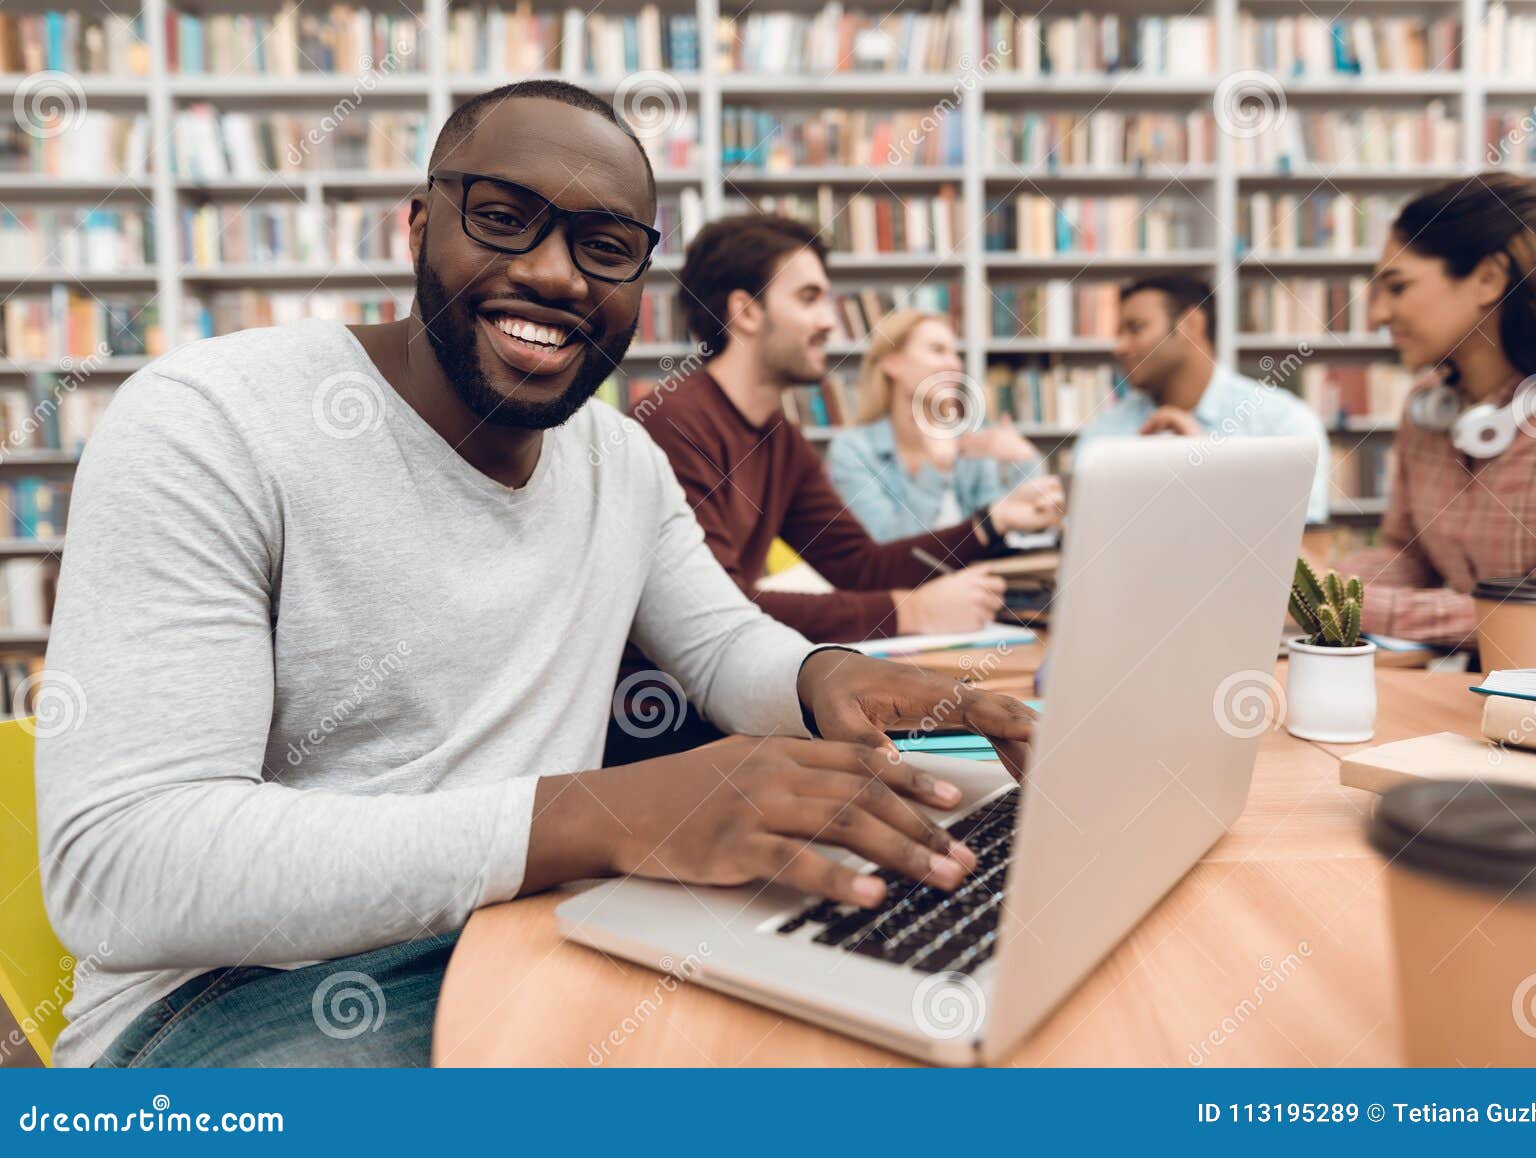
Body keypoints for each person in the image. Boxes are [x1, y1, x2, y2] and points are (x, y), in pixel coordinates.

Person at [33, 81, 1037, 1069]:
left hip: (526, 922)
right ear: (418, 228)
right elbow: (118, 868)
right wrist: (600, 815)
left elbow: (722, 642)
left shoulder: (621, 460)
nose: (556, 275)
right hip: (232, 1000)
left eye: (604, 246)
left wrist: (823, 676)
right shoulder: (208, 422)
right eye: (504, 219)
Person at [631, 213, 1065, 647]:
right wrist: (910, 611)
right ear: (746, 312)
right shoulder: (673, 423)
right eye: (808, 299)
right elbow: (717, 607)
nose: (830, 323)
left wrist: (992, 521)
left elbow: (859, 567)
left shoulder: (780, 439)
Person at [1341, 171, 1536, 656]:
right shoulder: (1428, 405)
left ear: (1487, 280)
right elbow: (1409, 557)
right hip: (1472, 688)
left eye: (1397, 287)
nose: (1377, 315)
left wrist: (1348, 604)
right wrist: (1308, 582)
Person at [1075, 274, 1331, 522]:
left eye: (1135, 328)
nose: (1119, 347)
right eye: (1119, 334)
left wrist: (1210, 472)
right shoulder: (1104, 432)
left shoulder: (1281, 423)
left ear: (1191, 325)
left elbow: (1304, 542)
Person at [826, 309, 1048, 542]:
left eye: (955, 354)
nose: (955, 364)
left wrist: (1024, 460)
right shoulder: (852, 451)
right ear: (892, 363)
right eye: (937, 350)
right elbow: (886, 546)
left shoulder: (971, 440)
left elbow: (1006, 531)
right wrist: (935, 471)